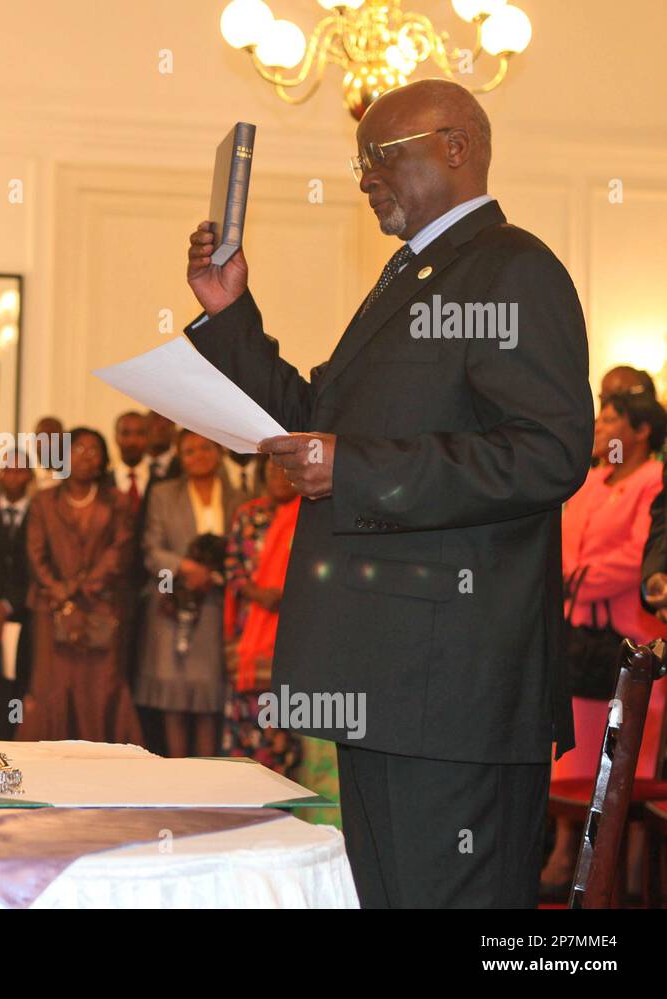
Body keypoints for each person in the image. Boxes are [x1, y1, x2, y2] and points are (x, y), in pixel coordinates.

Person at [184, 79, 592, 907]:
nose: (364, 174)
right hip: (394, 682)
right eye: (360, 159)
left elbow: (548, 453)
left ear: (457, 146)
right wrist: (229, 313)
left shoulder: (512, 268)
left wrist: (357, 468)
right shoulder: (411, 278)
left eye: (382, 155)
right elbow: (314, 420)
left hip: (452, 690)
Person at [544, 391, 667, 893]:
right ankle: (567, 856)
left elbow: (638, 556)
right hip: (578, 635)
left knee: (627, 759)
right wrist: (571, 576)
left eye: (612, 418)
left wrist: (576, 578)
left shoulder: (651, 481)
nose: (600, 426)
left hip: (628, 638)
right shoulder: (591, 481)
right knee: (577, 757)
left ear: (641, 431)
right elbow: (564, 543)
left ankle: (631, 867)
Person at [18, 427, 143, 744]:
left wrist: (79, 587)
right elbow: (34, 554)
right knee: (53, 686)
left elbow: (120, 550)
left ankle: (102, 764)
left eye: (94, 451)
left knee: (100, 688)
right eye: (78, 449)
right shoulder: (43, 501)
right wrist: (59, 590)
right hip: (51, 607)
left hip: (101, 606)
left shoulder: (116, 501)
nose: (86, 457)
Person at [135, 430, 240, 757]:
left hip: (217, 605)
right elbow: (151, 551)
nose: (199, 455)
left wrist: (216, 575)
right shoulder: (164, 494)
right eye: (190, 450)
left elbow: (245, 551)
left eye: (206, 448)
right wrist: (187, 568)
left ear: (220, 451)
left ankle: (206, 778)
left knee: (209, 698)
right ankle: (178, 772)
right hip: (172, 602)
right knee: (174, 698)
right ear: (180, 456)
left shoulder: (240, 496)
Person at [222, 458, 301, 771]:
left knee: (285, 709)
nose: (278, 476)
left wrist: (286, 595)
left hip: (293, 626)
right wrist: (257, 593)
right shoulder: (248, 514)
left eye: (285, 469)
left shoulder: (310, 516)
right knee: (248, 711)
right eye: (271, 470)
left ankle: (283, 794)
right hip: (250, 626)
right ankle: (247, 793)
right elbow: (232, 567)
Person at [0, 449, 36, 739]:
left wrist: (10, 604)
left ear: (29, 474)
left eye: (20, 470)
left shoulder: (40, 512)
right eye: (7, 470)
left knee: (21, 678)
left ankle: (17, 737)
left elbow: (36, 564)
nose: (13, 476)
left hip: (25, 611)